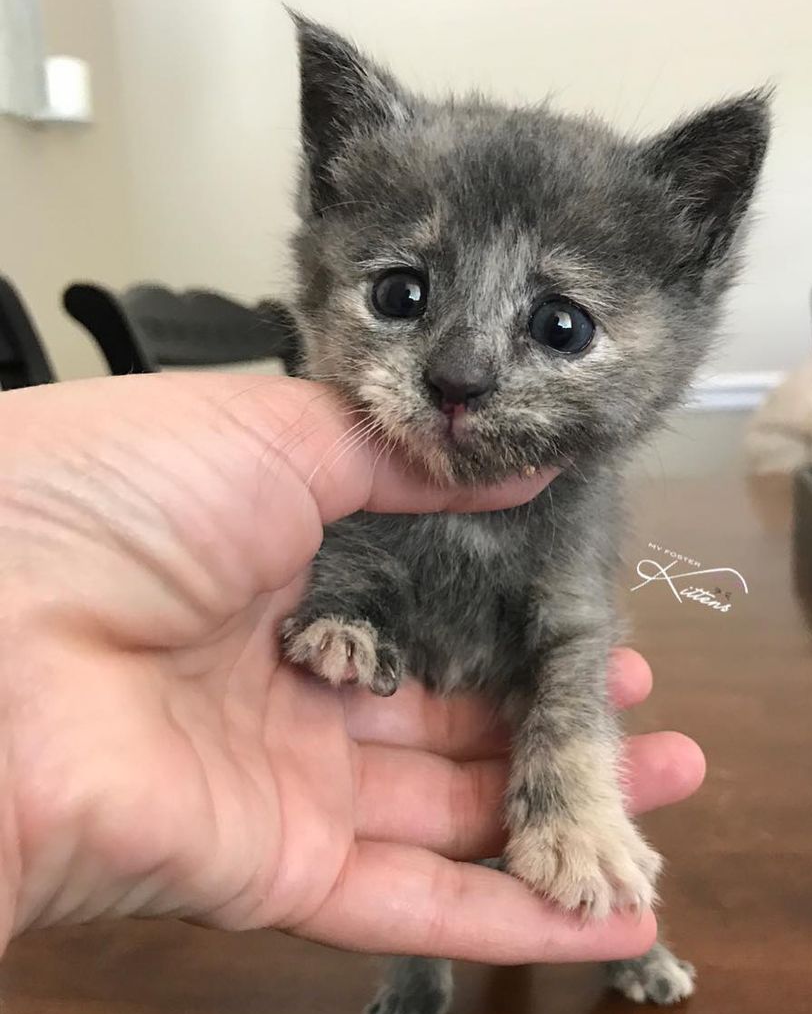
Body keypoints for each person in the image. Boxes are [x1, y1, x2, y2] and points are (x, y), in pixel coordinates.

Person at [0, 372, 704, 963]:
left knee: (589, 823)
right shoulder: (342, 464)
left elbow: (569, 641)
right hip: (353, 720)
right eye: (403, 294)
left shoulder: (575, 499)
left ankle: (634, 948)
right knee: (435, 849)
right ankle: (427, 972)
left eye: (559, 328)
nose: (460, 369)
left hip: (452, 708)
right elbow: (334, 566)